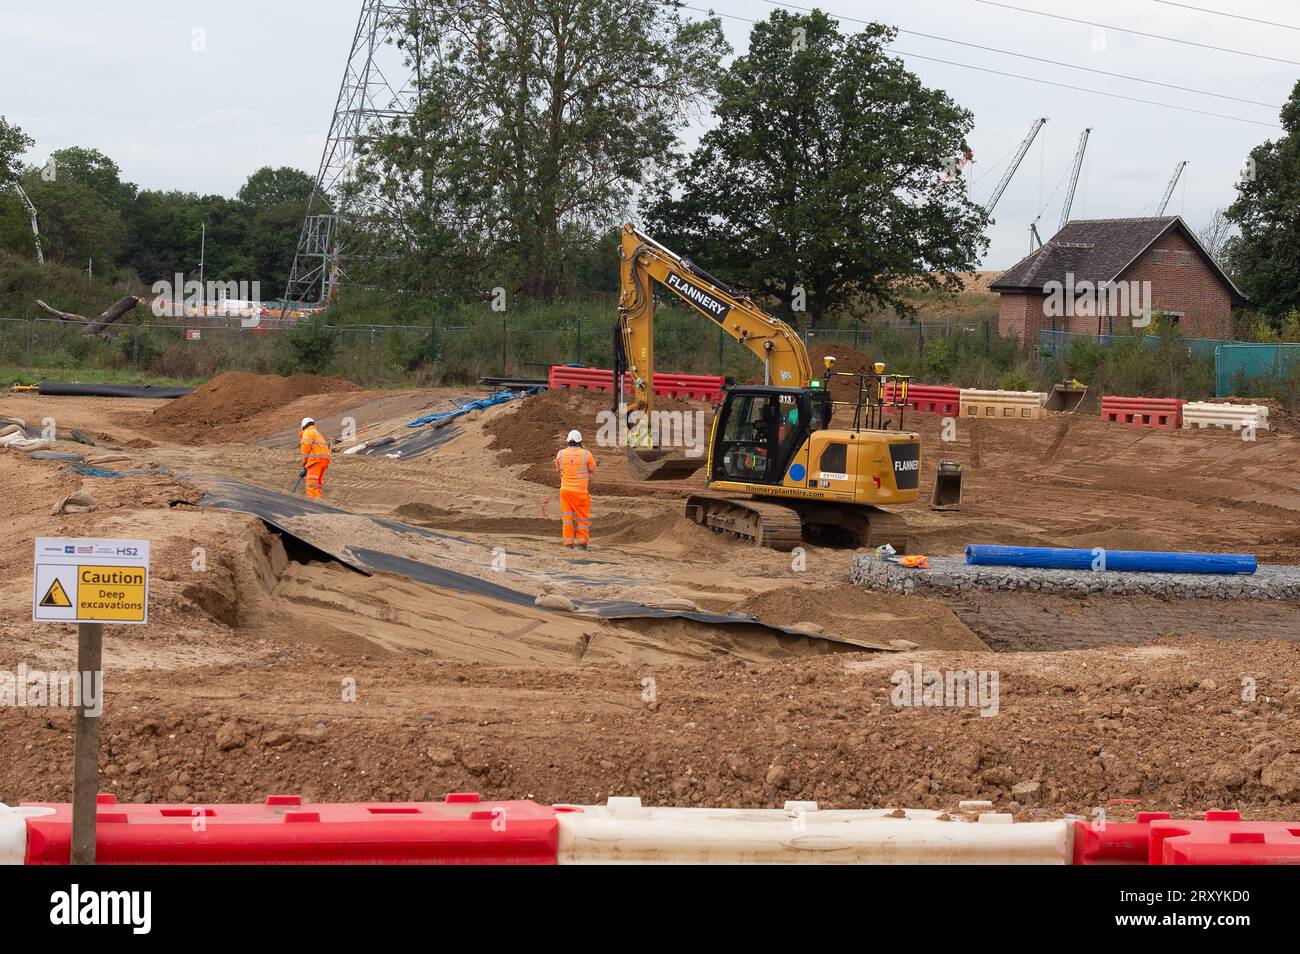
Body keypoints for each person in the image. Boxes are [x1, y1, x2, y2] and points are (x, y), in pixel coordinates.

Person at [554, 429, 597, 550]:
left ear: (568, 441)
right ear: (580, 442)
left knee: (567, 519)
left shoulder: (560, 453)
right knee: (582, 518)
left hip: (565, 491)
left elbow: (558, 469)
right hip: (580, 492)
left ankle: (568, 544)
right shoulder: (586, 454)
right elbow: (593, 469)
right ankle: (582, 544)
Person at [299, 417, 332, 500]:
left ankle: (312, 501)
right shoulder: (317, 433)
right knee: (316, 483)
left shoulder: (307, 432)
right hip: (324, 461)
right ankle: (318, 499)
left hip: (315, 461)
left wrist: (304, 463)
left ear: (303, 426)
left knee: (311, 483)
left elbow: (305, 446)